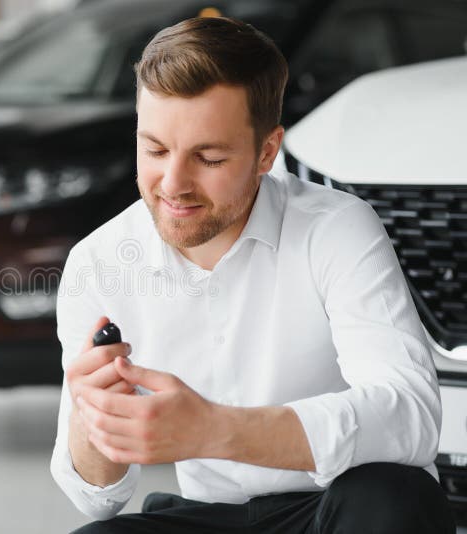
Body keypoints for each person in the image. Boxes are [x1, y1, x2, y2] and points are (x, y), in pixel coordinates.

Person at [49, 16, 456, 534]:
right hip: (208, 518)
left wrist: (215, 431)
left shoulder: (335, 229)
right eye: (154, 150)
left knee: (391, 501)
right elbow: (95, 497)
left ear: (267, 152)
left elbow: (409, 418)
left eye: (209, 157)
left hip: (336, 508)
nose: (172, 184)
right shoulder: (98, 263)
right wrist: (93, 418)